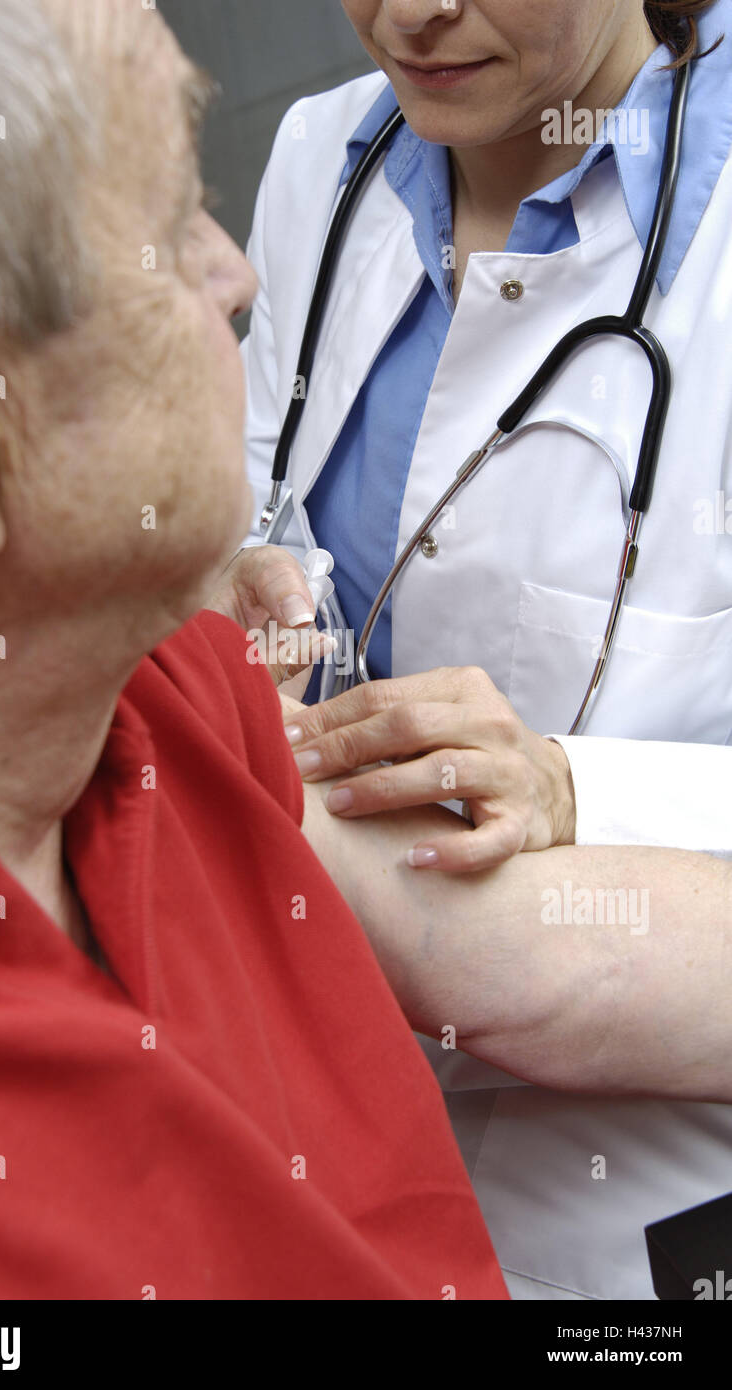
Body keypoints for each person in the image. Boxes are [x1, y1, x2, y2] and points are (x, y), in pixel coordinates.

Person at [235, 0, 732, 1298]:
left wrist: (578, 788)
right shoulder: (319, 159)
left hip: (641, 1195)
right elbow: (256, 477)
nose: (412, 15)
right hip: (330, 1142)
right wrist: (224, 576)